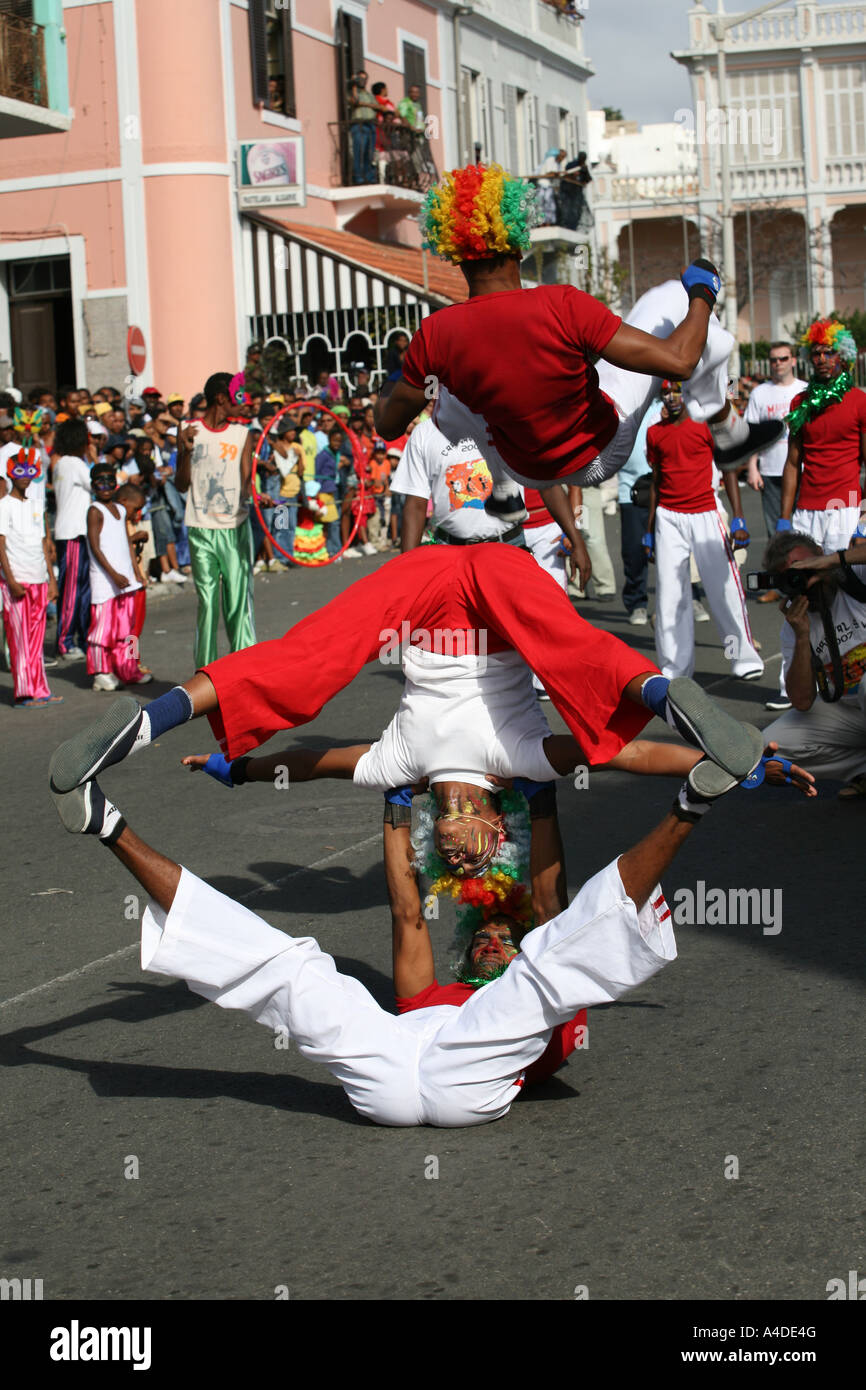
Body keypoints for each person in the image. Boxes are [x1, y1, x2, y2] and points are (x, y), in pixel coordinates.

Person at [49, 745, 771, 1128]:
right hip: (389, 1069)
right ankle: (105, 825)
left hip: (468, 1079)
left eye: (500, 939)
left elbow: (552, 905)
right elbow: (405, 910)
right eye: (485, 940)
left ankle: (689, 806)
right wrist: (396, 810)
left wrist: (542, 800)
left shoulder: (537, 995)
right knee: (288, 968)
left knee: (553, 959)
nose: (492, 943)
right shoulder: (428, 993)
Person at [49, 545, 769, 875]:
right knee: (572, 647)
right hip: (498, 585)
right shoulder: (517, 761)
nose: (456, 833)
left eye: (445, 843)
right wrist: (737, 760)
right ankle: (666, 694)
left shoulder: (400, 765)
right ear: (494, 819)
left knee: (309, 656)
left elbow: (311, 765)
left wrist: (239, 768)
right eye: (473, 840)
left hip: (421, 590)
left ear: (432, 821)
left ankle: (148, 721)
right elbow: (627, 755)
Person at [375, 165, 781, 515]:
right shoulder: (562, 303)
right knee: (670, 301)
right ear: (519, 242)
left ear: (456, 253)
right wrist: (702, 290)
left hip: (526, 469)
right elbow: (679, 362)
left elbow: (389, 425)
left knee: (451, 390)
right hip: (599, 454)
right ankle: (726, 428)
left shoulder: (434, 333)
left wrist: (389, 390)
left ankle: (503, 491)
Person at [644, 381, 762, 682]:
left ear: (687, 393)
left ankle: (742, 658)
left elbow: (730, 471)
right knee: (670, 596)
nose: (670, 398)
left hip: (705, 514)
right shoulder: (655, 433)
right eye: (665, 393)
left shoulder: (705, 426)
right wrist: (649, 530)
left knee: (723, 590)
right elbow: (656, 482)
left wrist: (738, 519)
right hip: (668, 518)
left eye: (676, 391)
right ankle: (675, 669)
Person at [761, 532, 866, 799]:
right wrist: (802, 636)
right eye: (796, 575)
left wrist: (834, 561)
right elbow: (802, 701)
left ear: (821, 554)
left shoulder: (855, 577)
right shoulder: (795, 625)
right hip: (852, 711)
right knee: (770, 748)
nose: (807, 579)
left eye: (808, 566)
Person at [174, 372, 256, 668]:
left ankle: (244, 669)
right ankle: (204, 674)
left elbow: (247, 482)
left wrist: (257, 496)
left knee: (237, 604)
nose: (244, 401)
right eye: (239, 395)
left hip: (235, 528)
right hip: (200, 528)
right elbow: (181, 484)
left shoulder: (243, 434)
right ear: (221, 397)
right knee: (207, 603)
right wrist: (184, 450)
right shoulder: (188, 429)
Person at [778, 320, 866, 553]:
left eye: (830, 352)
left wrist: (864, 522)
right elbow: (792, 463)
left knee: (841, 584)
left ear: (844, 356)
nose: (822, 359)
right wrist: (784, 518)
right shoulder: (800, 402)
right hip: (806, 509)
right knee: (803, 581)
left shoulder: (859, 401)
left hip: (845, 507)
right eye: (816, 353)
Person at [0, 448, 59, 706]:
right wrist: (11, 580)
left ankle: (40, 689)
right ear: (10, 473)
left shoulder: (37, 504)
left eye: (29, 470)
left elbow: (44, 543)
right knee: (20, 639)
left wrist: (51, 580)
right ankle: (25, 692)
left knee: (36, 639)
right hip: (17, 582)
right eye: (19, 471)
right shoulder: (3, 506)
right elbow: (0, 545)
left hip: (39, 579)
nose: (24, 476)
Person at [86, 474, 151, 693]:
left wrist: (136, 573)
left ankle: (129, 668)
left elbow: (125, 544)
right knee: (102, 630)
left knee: (129, 631)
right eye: (99, 482)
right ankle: (101, 672)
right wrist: (113, 574)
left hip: (127, 582)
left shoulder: (121, 511)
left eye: (109, 482)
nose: (105, 487)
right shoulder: (95, 510)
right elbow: (95, 547)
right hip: (106, 583)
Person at [745, 342, 808, 547]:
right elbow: (752, 434)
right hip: (770, 471)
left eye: (783, 359)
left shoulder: (804, 390)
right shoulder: (759, 393)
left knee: (804, 530)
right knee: (776, 533)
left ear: (793, 361)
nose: (778, 363)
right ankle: (781, 576)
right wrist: (752, 469)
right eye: (773, 360)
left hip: (802, 469)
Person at [50, 418, 92, 662]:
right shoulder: (74, 463)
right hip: (74, 532)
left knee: (82, 589)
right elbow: (96, 482)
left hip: (75, 531)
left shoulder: (63, 463)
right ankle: (65, 642)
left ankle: (80, 638)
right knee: (73, 590)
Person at [348, 71, 378, 185]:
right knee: (359, 152)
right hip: (359, 124)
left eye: (364, 79)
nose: (362, 81)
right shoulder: (352, 92)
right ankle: (359, 177)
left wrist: (364, 104)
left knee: (369, 153)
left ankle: (369, 176)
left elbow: (377, 106)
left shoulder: (369, 95)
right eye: (360, 79)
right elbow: (355, 101)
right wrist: (354, 86)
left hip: (370, 125)